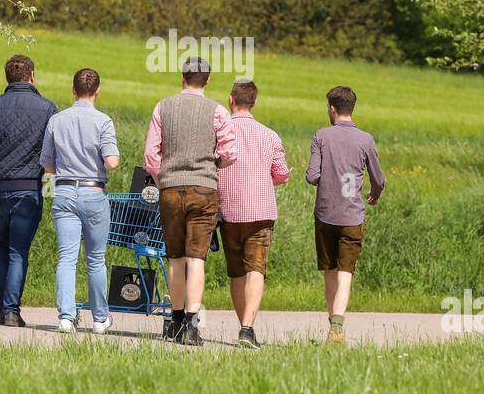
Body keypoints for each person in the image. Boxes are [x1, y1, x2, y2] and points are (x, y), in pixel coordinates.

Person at [143, 56, 237, 346]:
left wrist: (163, 181)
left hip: (171, 189)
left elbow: (151, 157)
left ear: (182, 78)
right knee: (196, 258)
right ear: (207, 81)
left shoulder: (163, 106)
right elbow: (230, 153)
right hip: (204, 189)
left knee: (175, 257)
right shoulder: (218, 111)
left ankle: (174, 318)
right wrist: (211, 166)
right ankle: (192, 325)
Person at [0, 54, 57, 327]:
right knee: (18, 250)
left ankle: (0, 308)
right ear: (32, 77)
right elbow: (54, 149)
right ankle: (10, 310)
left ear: (8, 77)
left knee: (0, 246)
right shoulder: (47, 108)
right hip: (29, 188)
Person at [40, 68, 120, 334]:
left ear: (73, 90)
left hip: (63, 191)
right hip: (93, 192)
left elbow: (48, 166)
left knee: (66, 258)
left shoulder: (56, 120)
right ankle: (100, 319)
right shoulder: (104, 121)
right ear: (97, 91)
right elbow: (111, 162)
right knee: (96, 259)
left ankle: (66, 317)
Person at [305, 86, 385, 345]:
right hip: (352, 216)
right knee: (345, 272)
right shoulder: (366, 140)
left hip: (326, 214)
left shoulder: (321, 136)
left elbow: (312, 176)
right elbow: (379, 179)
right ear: (352, 108)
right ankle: (337, 328)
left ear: (332, 108)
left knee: (329, 270)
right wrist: (374, 194)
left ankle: (334, 326)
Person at [215, 80, 290, 350]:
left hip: (228, 210)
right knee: (256, 269)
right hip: (260, 212)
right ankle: (247, 329)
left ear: (231, 99)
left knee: (236, 272)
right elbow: (281, 174)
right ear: (254, 102)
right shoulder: (270, 135)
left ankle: (244, 327)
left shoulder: (220, 133)